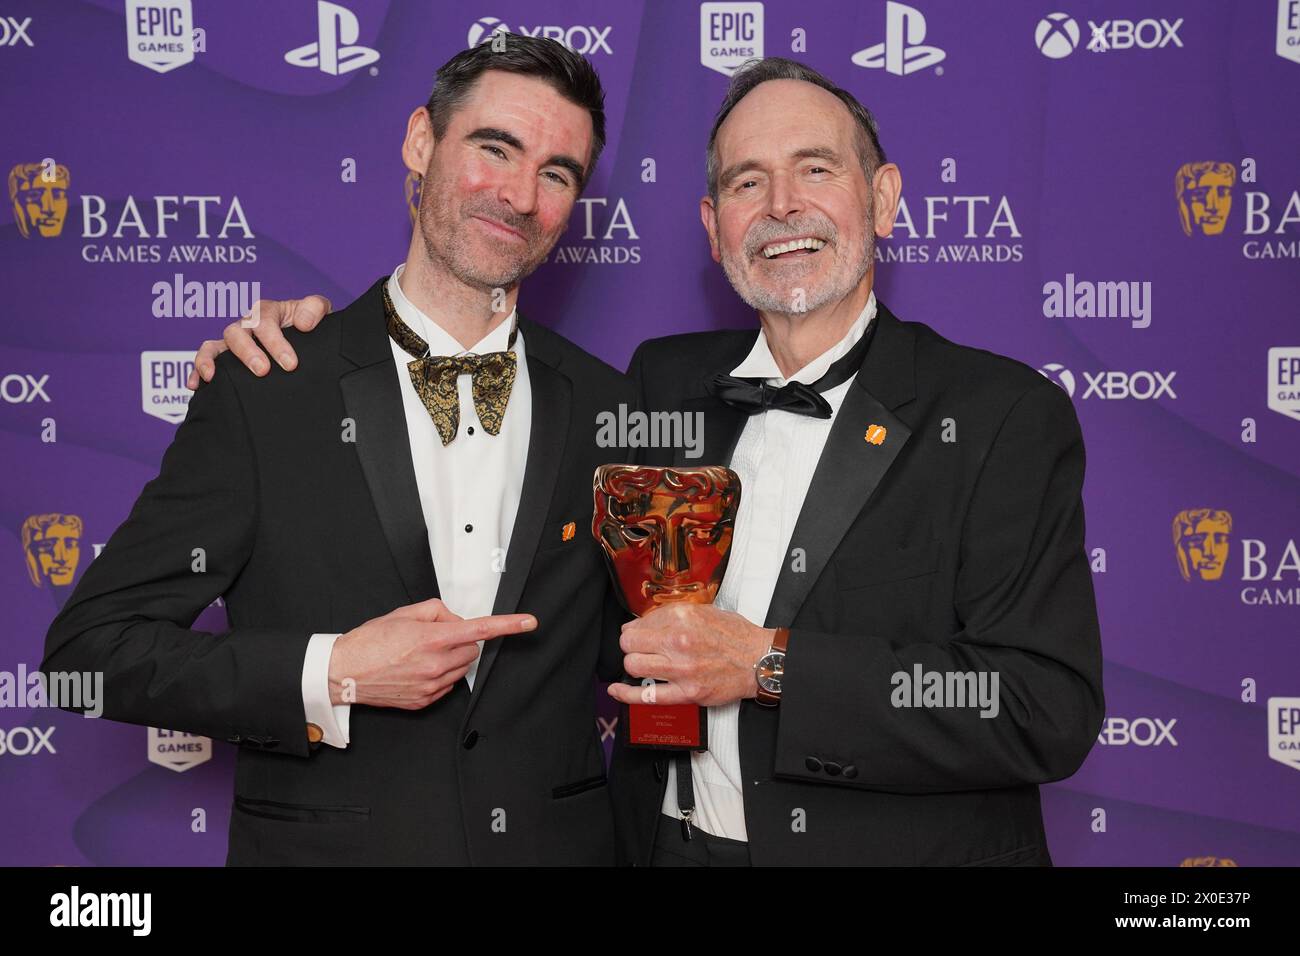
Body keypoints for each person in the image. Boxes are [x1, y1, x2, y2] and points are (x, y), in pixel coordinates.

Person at [195, 57, 1105, 868]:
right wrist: (293, 356)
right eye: (748, 182)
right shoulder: (653, 392)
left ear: (885, 198)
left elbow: (1043, 707)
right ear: (714, 227)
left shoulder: (998, 415)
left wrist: (770, 664)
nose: (782, 204)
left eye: (815, 170)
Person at [43, 35, 633, 866]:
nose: (519, 194)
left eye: (557, 173)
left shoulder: (613, 406)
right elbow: (88, 655)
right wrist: (335, 671)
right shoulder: (268, 383)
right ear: (421, 142)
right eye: (493, 148)